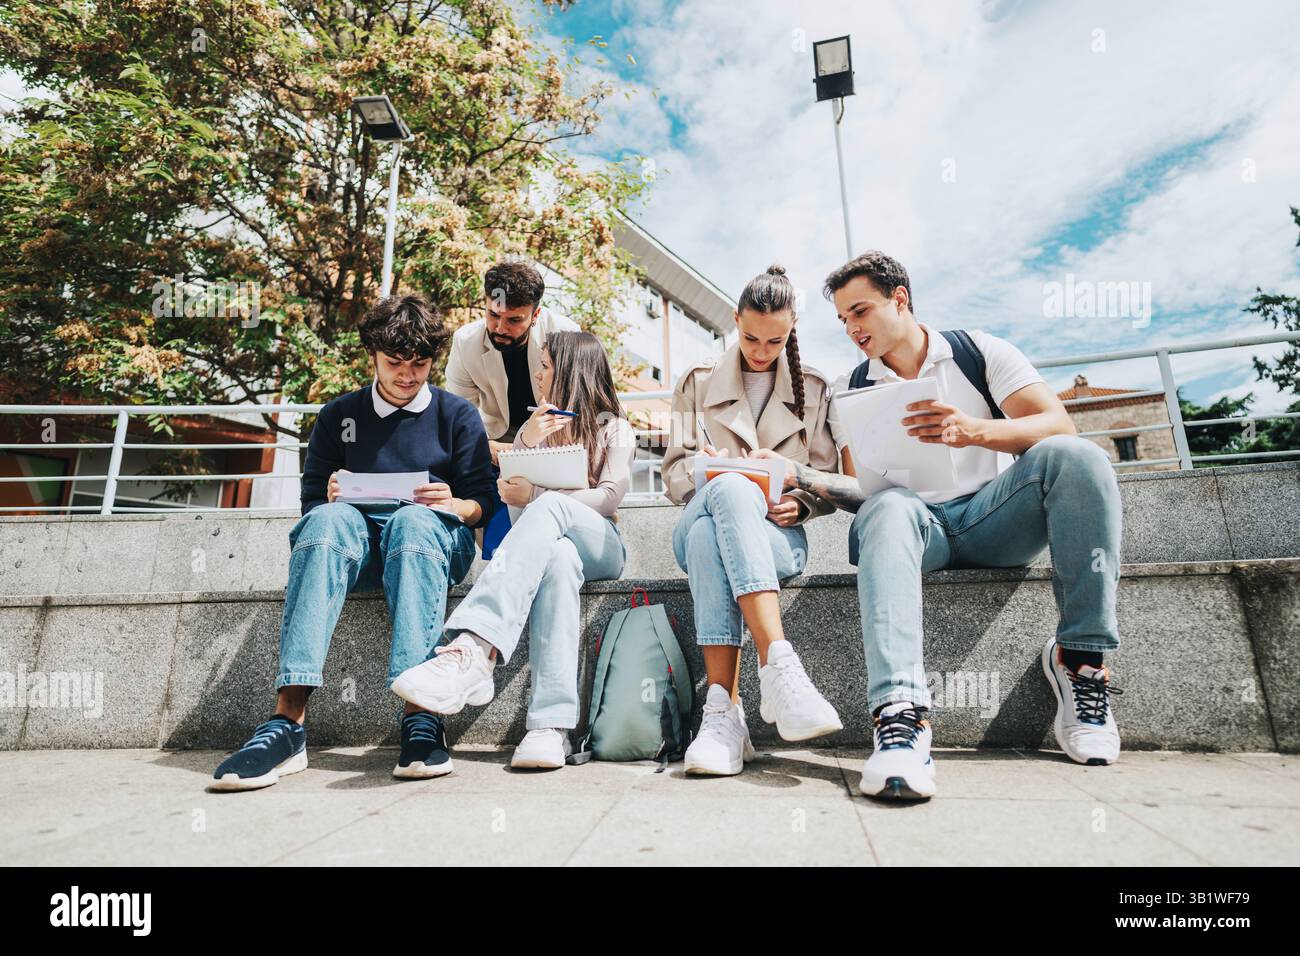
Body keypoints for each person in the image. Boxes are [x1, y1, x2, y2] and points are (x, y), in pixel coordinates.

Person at [764, 251, 1123, 801]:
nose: (852, 328)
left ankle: (1080, 662)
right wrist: (807, 479)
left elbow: (1059, 425)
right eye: (842, 319)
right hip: (915, 528)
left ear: (900, 298)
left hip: (992, 517)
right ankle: (901, 719)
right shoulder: (850, 388)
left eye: (860, 310)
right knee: (888, 507)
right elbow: (865, 490)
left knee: (1080, 459)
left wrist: (974, 431)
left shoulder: (980, 351)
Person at [210, 294, 496, 791]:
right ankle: (286, 725)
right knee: (326, 523)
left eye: (420, 364)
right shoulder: (339, 414)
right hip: (356, 546)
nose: (407, 376)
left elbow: (483, 504)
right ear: (373, 357)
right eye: (394, 364)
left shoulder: (458, 416)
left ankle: (422, 716)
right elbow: (309, 507)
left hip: (431, 540)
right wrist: (330, 497)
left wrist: (455, 503)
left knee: (414, 525)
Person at [391, 331, 636, 770]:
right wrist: (525, 441)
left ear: (571, 369)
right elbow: (514, 503)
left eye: (545, 365)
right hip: (555, 549)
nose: (538, 374)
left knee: (553, 507)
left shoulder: (614, 427)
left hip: (603, 545)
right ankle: (550, 727)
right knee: (558, 560)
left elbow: (610, 496)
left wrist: (539, 493)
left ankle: (476, 645)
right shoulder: (533, 427)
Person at [660, 265, 843, 777]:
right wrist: (713, 474)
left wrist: (801, 500)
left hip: (778, 535)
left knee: (706, 540)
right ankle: (779, 666)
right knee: (724, 492)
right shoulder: (695, 382)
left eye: (775, 340)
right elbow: (671, 469)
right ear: (735, 320)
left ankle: (722, 715)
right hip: (702, 508)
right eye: (750, 337)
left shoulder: (815, 386)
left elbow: (827, 478)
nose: (762, 351)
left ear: (793, 329)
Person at [444, 260, 579, 558]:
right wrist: (490, 447)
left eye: (514, 320)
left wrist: (529, 450)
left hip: (555, 441)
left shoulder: (565, 335)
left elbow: (578, 413)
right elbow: (456, 418)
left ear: (536, 315)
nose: (500, 328)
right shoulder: (465, 342)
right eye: (493, 315)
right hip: (495, 442)